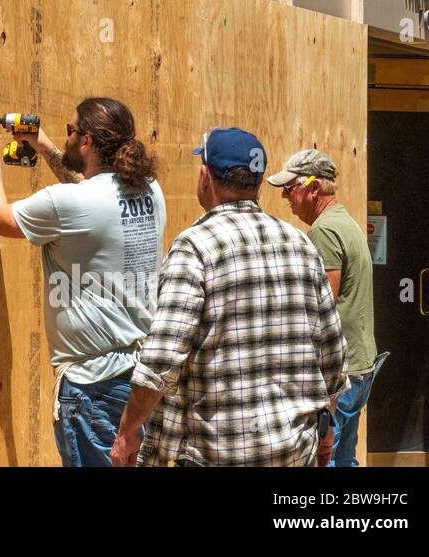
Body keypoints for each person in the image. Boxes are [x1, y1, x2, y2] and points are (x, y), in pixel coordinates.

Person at [110, 128, 347, 467]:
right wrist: (326, 428)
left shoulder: (195, 247)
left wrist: (128, 431)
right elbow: (333, 357)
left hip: (217, 455)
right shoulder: (301, 245)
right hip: (292, 452)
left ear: (205, 176)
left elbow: (161, 361)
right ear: (258, 182)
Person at [0, 97, 165, 466]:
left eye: (71, 131)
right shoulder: (150, 191)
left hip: (93, 387)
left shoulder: (70, 203)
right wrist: (43, 145)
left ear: (86, 141)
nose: (67, 136)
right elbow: (88, 196)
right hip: (139, 381)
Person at [268, 149, 384, 467]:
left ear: (314, 187)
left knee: (325, 457)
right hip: (361, 364)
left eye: (290, 188)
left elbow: (322, 305)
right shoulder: (344, 221)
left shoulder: (324, 231)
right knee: (344, 456)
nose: (285, 198)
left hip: (340, 372)